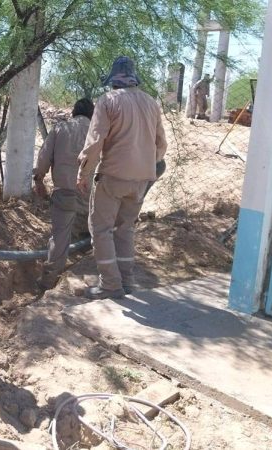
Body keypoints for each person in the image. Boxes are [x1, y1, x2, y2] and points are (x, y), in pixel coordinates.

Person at [77, 56, 167, 299]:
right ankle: (127, 281)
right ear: (133, 79)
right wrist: (146, 165)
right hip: (142, 180)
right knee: (125, 229)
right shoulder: (150, 102)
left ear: (113, 80)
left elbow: (95, 143)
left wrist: (84, 174)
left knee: (101, 229)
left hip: (113, 176)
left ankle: (110, 285)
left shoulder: (108, 101)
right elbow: (161, 145)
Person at [32, 98, 95, 290]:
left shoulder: (61, 128)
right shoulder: (97, 132)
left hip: (65, 192)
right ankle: (96, 271)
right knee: (97, 231)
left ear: (74, 112)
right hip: (91, 194)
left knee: (60, 237)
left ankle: (49, 280)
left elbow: (43, 157)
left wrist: (39, 180)